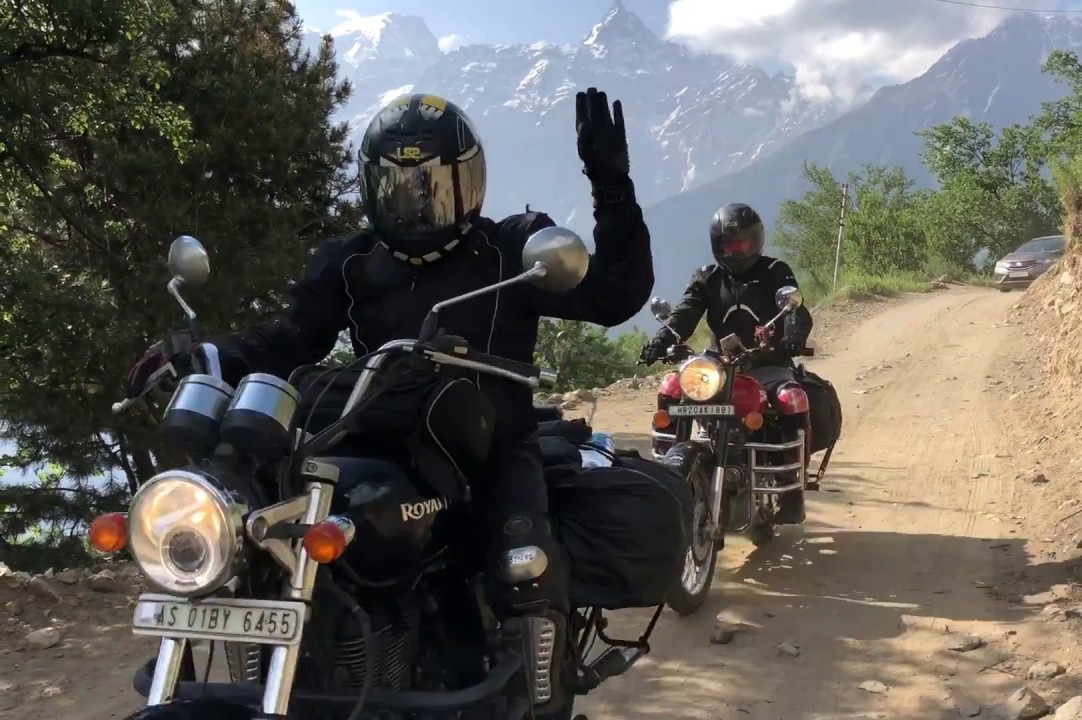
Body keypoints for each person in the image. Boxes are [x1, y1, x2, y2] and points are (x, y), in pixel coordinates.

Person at [126, 88, 652, 717]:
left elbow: (614, 296)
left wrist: (611, 185)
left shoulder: (511, 249)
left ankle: (542, 700)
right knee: (263, 549)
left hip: (489, 449)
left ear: (468, 182)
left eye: (432, 183)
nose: (416, 201)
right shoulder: (350, 263)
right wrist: (207, 357)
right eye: (397, 185)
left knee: (526, 566)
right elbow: (290, 338)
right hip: (379, 445)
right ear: (371, 187)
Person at [640, 202, 811, 523]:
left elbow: (796, 312)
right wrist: (661, 342)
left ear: (756, 240)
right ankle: (667, 468)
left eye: (742, 242)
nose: (736, 250)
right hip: (720, 365)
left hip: (767, 363)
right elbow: (685, 314)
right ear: (717, 245)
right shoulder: (708, 278)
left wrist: (792, 337)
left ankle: (791, 487)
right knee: (673, 385)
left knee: (792, 398)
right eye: (728, 244)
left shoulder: (776, 271)